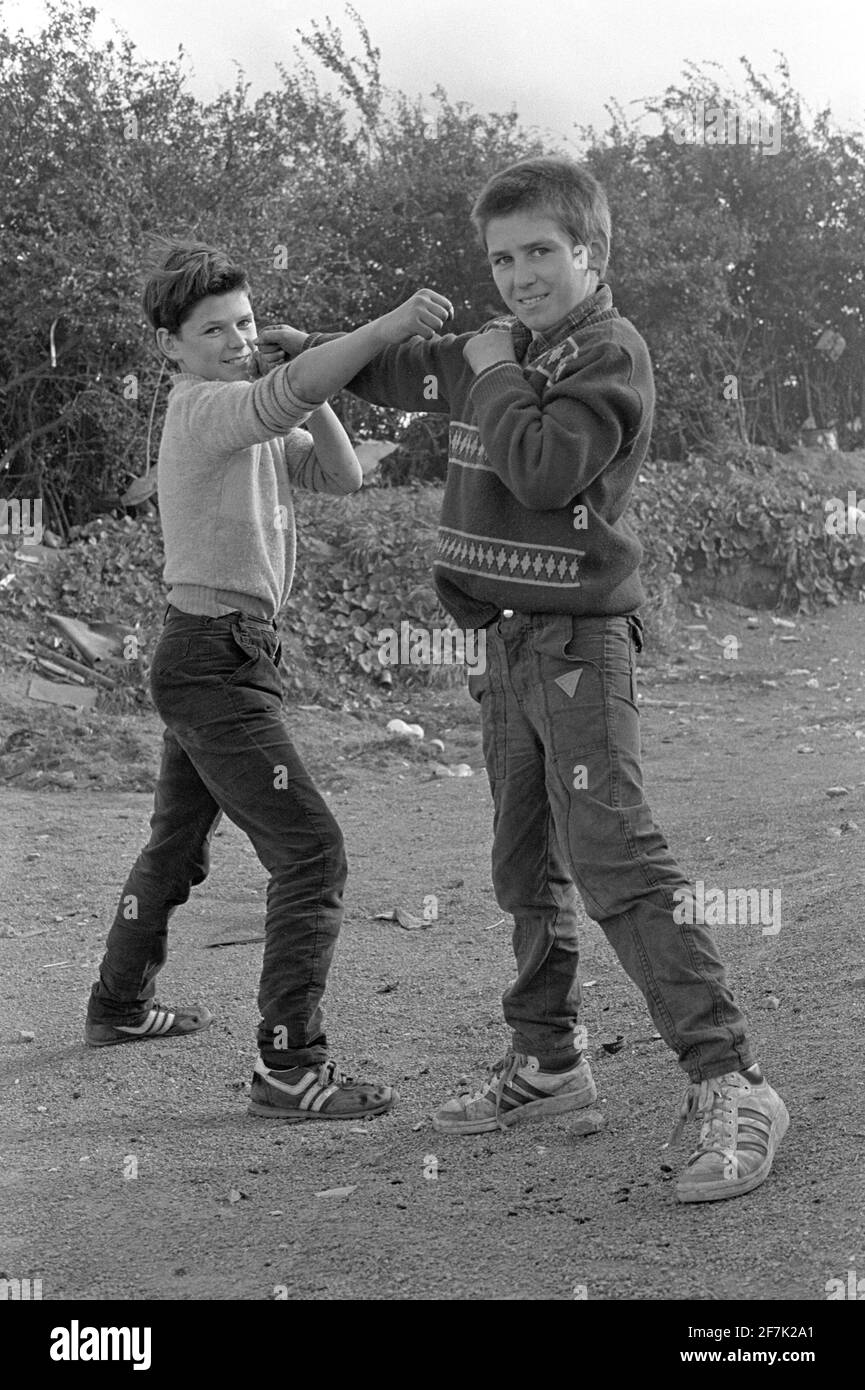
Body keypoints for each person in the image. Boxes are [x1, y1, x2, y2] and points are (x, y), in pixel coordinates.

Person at [258, 157, 789, 1199]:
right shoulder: (497, 348)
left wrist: (495, 363)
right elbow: (390, 371)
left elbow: (546, 469)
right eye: (501, 258)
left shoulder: (605, 352)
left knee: (617, 861)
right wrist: (303, 351)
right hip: (501, 644)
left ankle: (733, 1078)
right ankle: (547, 1061)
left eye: (540, 251)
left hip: (578, 649)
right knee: (522, 866)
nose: (519, 274)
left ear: (588, 252)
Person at [85, 238, 451, 1124]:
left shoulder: (244, 421)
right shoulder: (205, 408)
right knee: (311, 852)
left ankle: (118, 1005)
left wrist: (304, 362)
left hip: (216, 655)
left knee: (177, 845)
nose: (237, 338)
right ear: (172, 347)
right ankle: (290, 1067)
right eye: (214, 328)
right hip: (215, 662)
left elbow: (344, 474)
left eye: (246, 322)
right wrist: (384, 328)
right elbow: (284, 394)